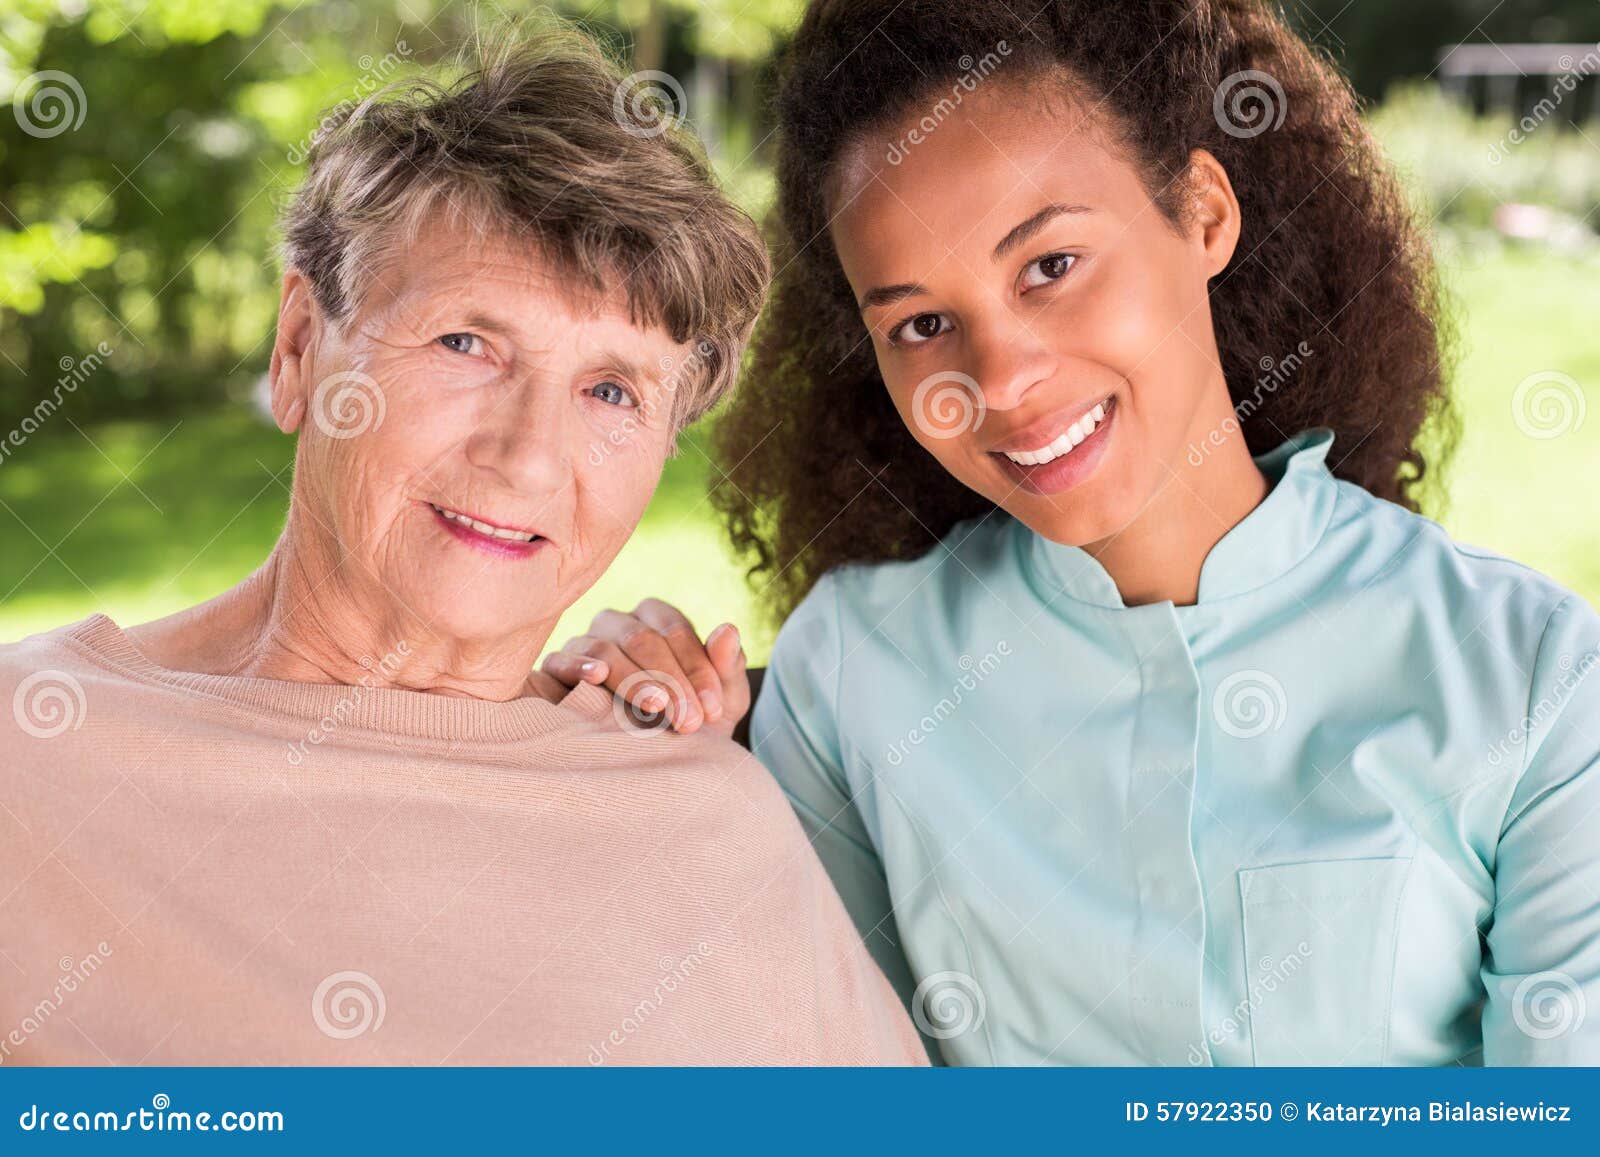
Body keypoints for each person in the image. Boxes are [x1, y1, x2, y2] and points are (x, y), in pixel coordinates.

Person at [542, 0, 1600, 1065]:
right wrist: (678, 780)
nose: (1000, 380)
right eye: (921, 324)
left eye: (1049, 266)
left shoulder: (1535, 679)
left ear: (1203, 214)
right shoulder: (849, 679)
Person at [0, 22, 926, 1067]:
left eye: (611, 391)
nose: (528, 460)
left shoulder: (709, 826)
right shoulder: (30, 756)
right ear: (299, 347)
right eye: (466, 342)